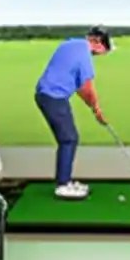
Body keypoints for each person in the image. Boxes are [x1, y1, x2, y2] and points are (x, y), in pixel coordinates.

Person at [34, 26, 112, 199]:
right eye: (99, 52)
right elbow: (86, 88)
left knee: (68, 138)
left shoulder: (70, 44)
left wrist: (93, 107)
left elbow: (78, 86)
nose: (96, 56)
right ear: (97, 42)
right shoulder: (84, 53)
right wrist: (96, 109)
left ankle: (65, 180)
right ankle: (63, 185)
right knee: (69, 139)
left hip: (47, 95)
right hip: (53, 97)